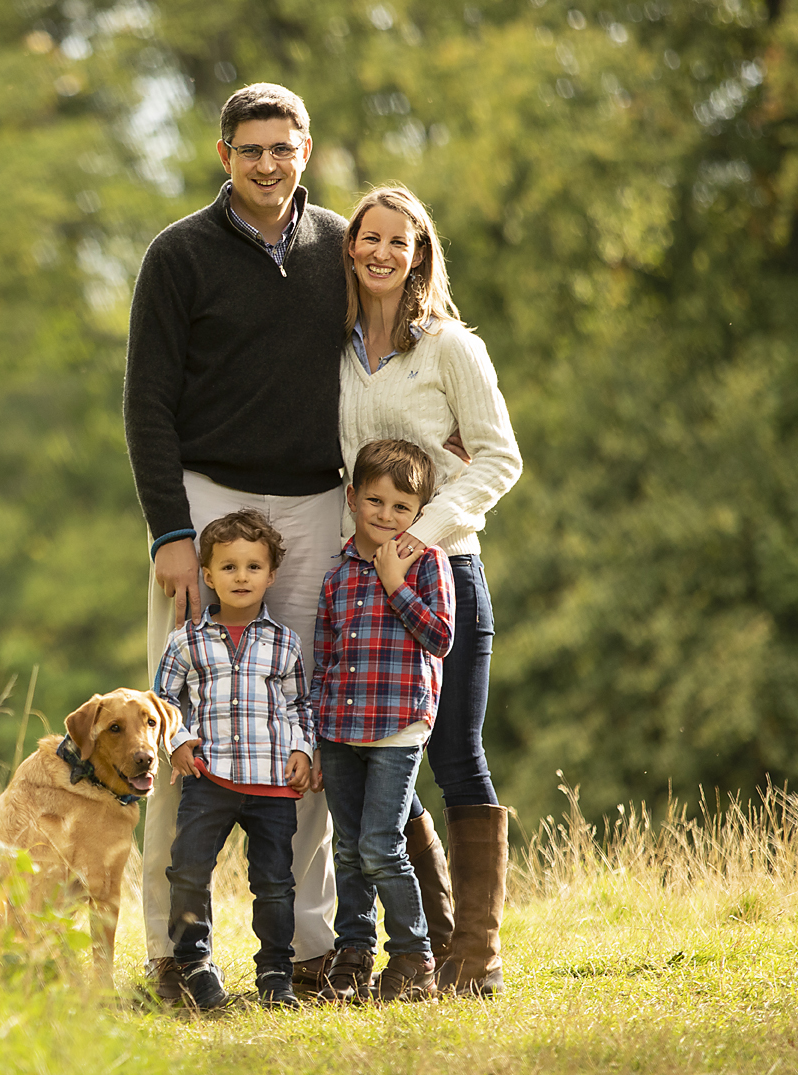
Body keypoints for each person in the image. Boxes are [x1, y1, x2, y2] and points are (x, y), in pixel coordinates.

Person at [123, 80, 346, 1003]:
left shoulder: (339, 244)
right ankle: (173, 951)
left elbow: (401, 340)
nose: (267, 164)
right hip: (207, 501)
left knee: (303, 727)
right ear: (225, 156)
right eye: (249, 149)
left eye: (281, 147)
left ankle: (304, 949)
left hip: (316, 506)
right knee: (176, 725)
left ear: (305, 148)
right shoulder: (177, 254)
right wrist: (172, 532)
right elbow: (146, 404)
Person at [337, 185, 523, 994]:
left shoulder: (450, 347)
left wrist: (422, 533)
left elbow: (498, 457)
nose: (380, 252)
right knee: (386, 763)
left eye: (397, 241)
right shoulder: (335, 348)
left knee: (454, 756)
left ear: (418, 255)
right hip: (360, 586)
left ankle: (474, 959)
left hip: (445, 572)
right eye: (367, 238)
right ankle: (433, 944)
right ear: (350, 249)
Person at [311, 439, 455, 1003]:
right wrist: (318, 737)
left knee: (380, 845)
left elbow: (440, 638)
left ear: (418, 512)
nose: (386, 515)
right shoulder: (337, 578)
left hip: (398, 725)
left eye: (401, 507)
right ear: (352, 498)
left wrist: (395, 583)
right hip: (340, 729)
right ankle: (353, 954)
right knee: (347, 846)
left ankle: (413, 955)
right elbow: (324, 662)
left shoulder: (428, 564)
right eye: (375, 501)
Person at [154, 510, 314, 1009]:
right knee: (188, 870)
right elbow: (162, 701)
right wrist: (176, 740)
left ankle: (275, 972)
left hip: (271, 782)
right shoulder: (186, 641)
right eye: (228, 567)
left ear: (271, 575)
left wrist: (302, 749)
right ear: (207, 575)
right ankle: (195, 964)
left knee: (273, 881)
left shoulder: (285, 642)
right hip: (209, 778)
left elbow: (298, 706)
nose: (240, 577)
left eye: (252, 566)